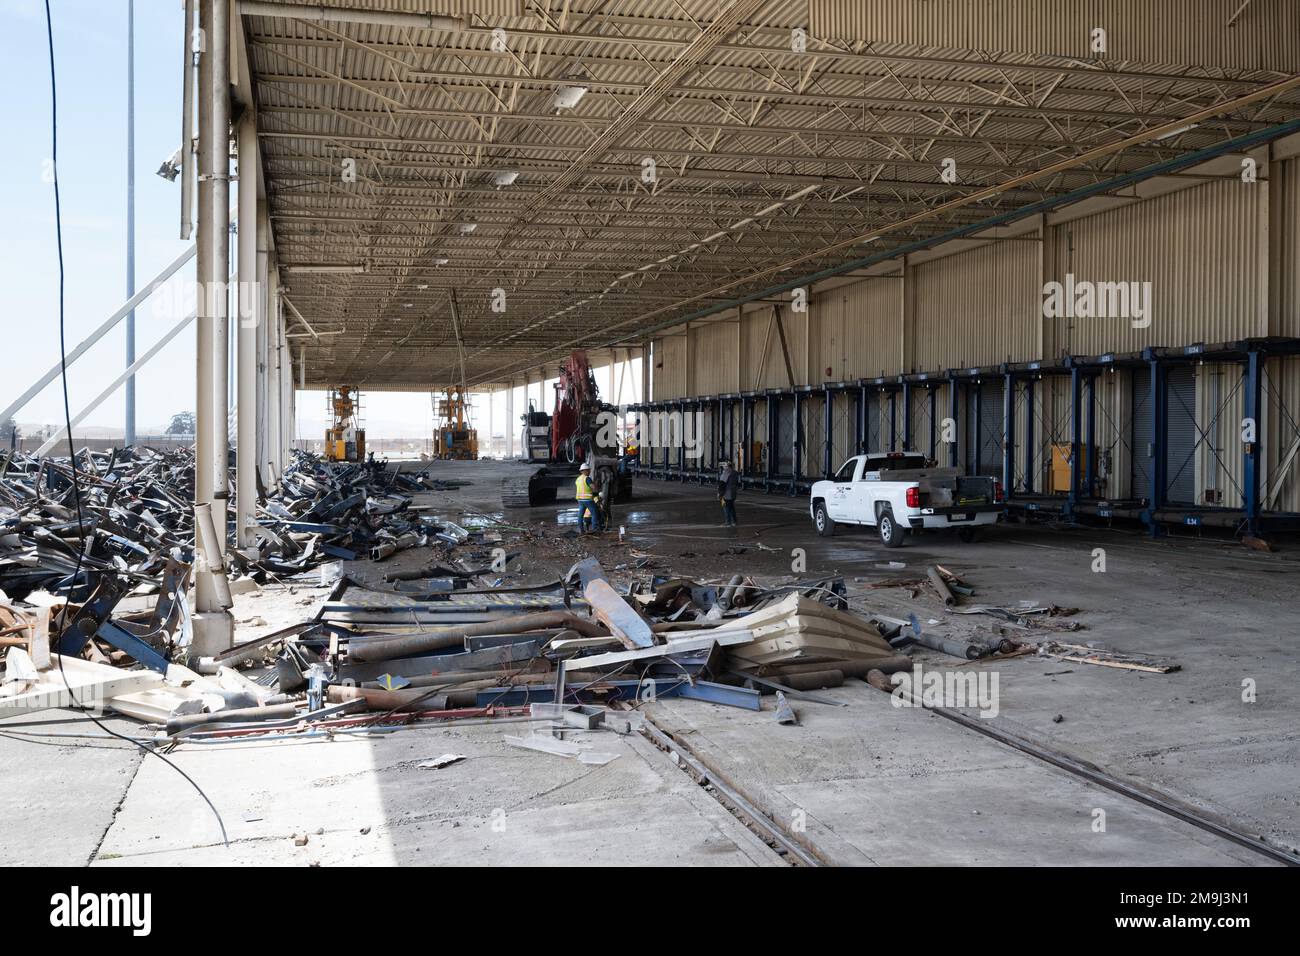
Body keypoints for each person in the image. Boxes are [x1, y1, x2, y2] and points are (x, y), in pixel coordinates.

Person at [575, 463, 598, 533]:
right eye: (588, 470)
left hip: (580, 499)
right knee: (594, 513)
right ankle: (594, 528)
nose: (589, 472)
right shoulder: (587, 478)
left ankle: (581, 529)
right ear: (584, 471)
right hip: (588, 499)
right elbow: (594, 488)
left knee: (581, 514)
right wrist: (596, 495)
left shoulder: (578, 479)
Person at [718, 459, 739, 527]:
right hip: (733, 493)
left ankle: (728, 522)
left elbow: (722, 484)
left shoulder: (726, 472)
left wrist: (719, 493)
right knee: (732, 507)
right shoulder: (735, 472)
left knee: (726, 507)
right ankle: (734, 521)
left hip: (726, 493)